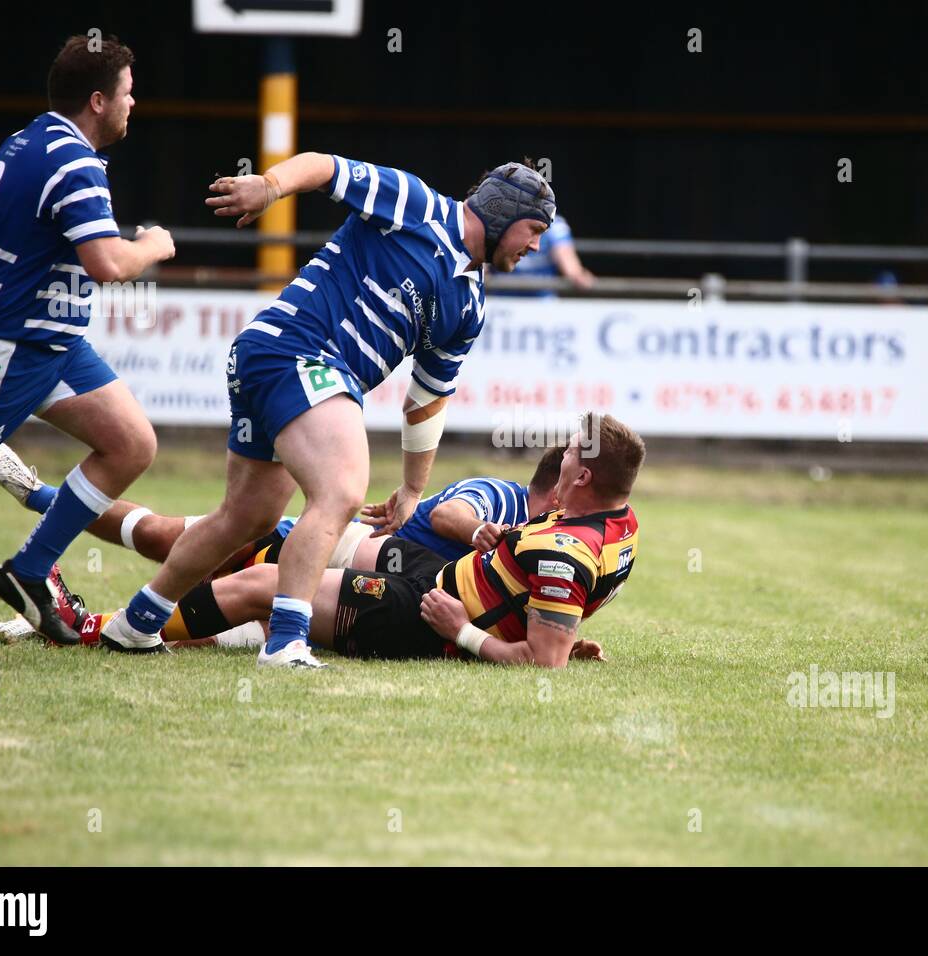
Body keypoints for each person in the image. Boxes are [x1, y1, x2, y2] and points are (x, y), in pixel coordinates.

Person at [98, 156, 556, 667]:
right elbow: (325, 168)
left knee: (246, 517)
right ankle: (287, 641)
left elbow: (427, 397)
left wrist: (410, 490)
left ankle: (136, 623)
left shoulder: (469, 304)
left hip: (283, 365)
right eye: (534, 230)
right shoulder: (418, 204)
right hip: (296, 349)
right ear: (500, 214)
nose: (536, 245)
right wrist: (269, 188)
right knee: (339, 489)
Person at [0, 35, 174, 643]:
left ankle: (29, 568)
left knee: (130, 444)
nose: (135, 104)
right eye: (128, 93)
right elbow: (106, 264)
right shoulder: (72, 162)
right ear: (98, 101)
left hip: (50, 348)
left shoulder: (26, 141)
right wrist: (155, 244)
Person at [170, 413, 643, 667]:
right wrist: (558, 630)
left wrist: (462, 632)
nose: (559, 456)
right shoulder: (621, 525)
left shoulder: (566, 554)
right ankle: (186, 595)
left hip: (422, 615)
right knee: (299, 544)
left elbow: (543, 662)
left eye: (571, 453)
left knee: (267, 586)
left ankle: (120, 625)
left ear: (583, 476)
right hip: (435, 571)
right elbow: (550, 612)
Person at [500, 213, 593, 296]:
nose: (535, 246)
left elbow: (568, 262)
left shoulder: (556, 226)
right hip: (503, 300)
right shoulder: (503, 220)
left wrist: (577, 275)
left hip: (542, 301)